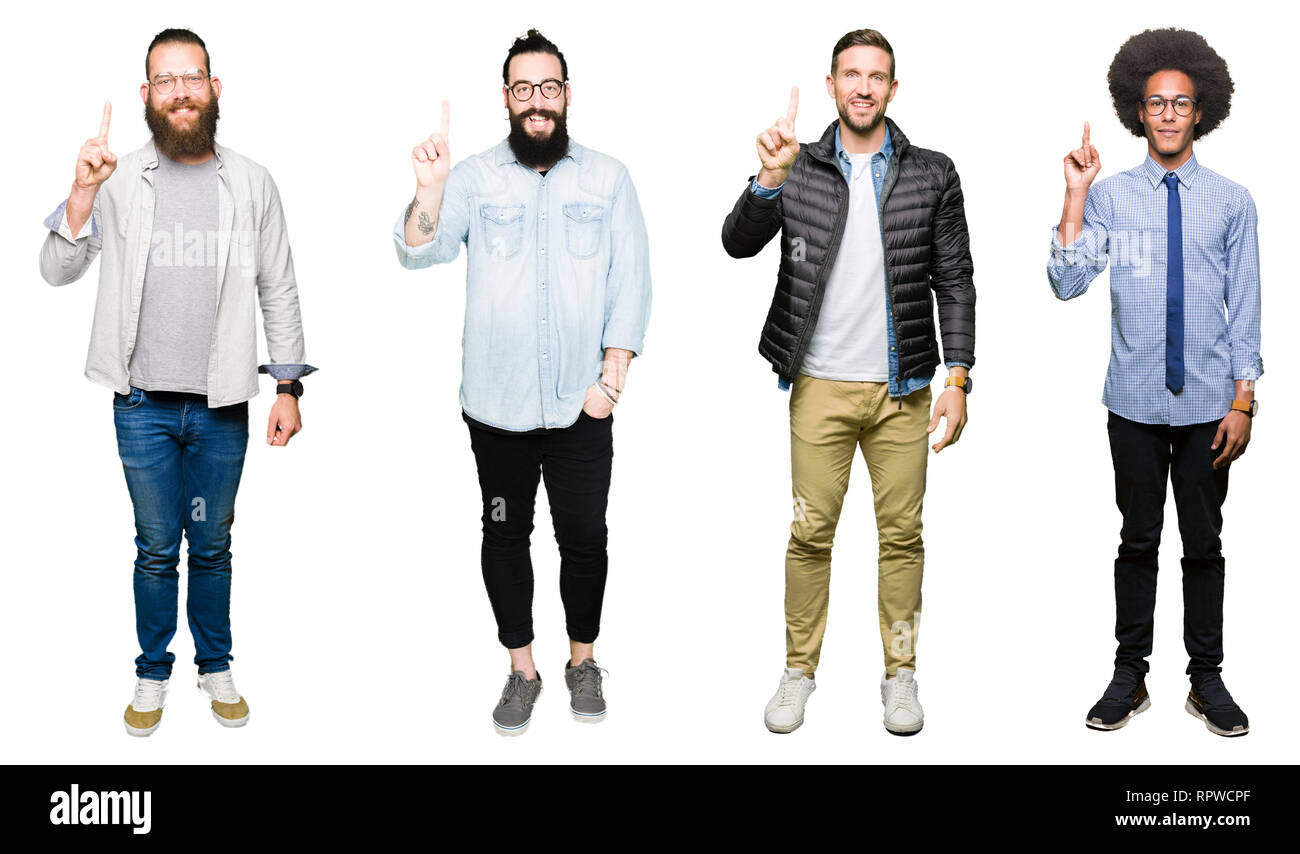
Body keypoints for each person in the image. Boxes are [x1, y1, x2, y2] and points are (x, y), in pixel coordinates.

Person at [39, 28, 316, 736]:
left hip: (222, 406)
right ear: (146, 96)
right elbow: (57, 270)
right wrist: (79, 191)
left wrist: (289, 386)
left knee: (214, 542)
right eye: (166, 80)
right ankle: (153, 669)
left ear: (214, 89)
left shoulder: (252, 182)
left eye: (193, 76)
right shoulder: (117, 176)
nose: (182, 90)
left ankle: (215, 662)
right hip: (141, 407)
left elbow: (278, 287)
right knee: (158, 546)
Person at [392, 29, 651, 736]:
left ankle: (583, 662)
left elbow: (631, 285)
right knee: (505, 536)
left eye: (550, 87)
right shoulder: (474, 178)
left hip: (581, 407)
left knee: (585, 538)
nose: (538, 101)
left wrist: (610, 384)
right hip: (496, 409)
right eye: (523, 88)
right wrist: (429, 192)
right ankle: (522, 670)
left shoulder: (608, 178)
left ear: (567, 95)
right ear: (506, 98)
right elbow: (421, 251)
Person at [721, 28, 975, 735]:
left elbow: (954, 278)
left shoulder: (933, 173)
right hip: (820, 388)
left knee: (903, 537)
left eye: (877, 76)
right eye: (851, 74)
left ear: (894, 89)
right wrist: (767, 181)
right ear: (831, 85)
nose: (863, 86)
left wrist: (958, 376)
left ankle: (901, 674)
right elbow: (737, 243)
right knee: (809, 535)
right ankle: (798, 672)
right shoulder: (796, 166)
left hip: (905, 390)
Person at [1046, 28, 1259, 737]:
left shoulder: (1232, 201)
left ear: (1201, 112)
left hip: (1208, 404)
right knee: (1137, 540)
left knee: (1204, 544)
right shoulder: (1109, 197)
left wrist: (1243, 399)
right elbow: (1068, 282)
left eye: (1181, 103)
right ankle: (1129, 675)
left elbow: (1246, 303)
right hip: (1133, 402)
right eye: (1155, 104)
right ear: (1137, 112)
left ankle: (1207, 680)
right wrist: (1075, 194)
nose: (1167, 114)